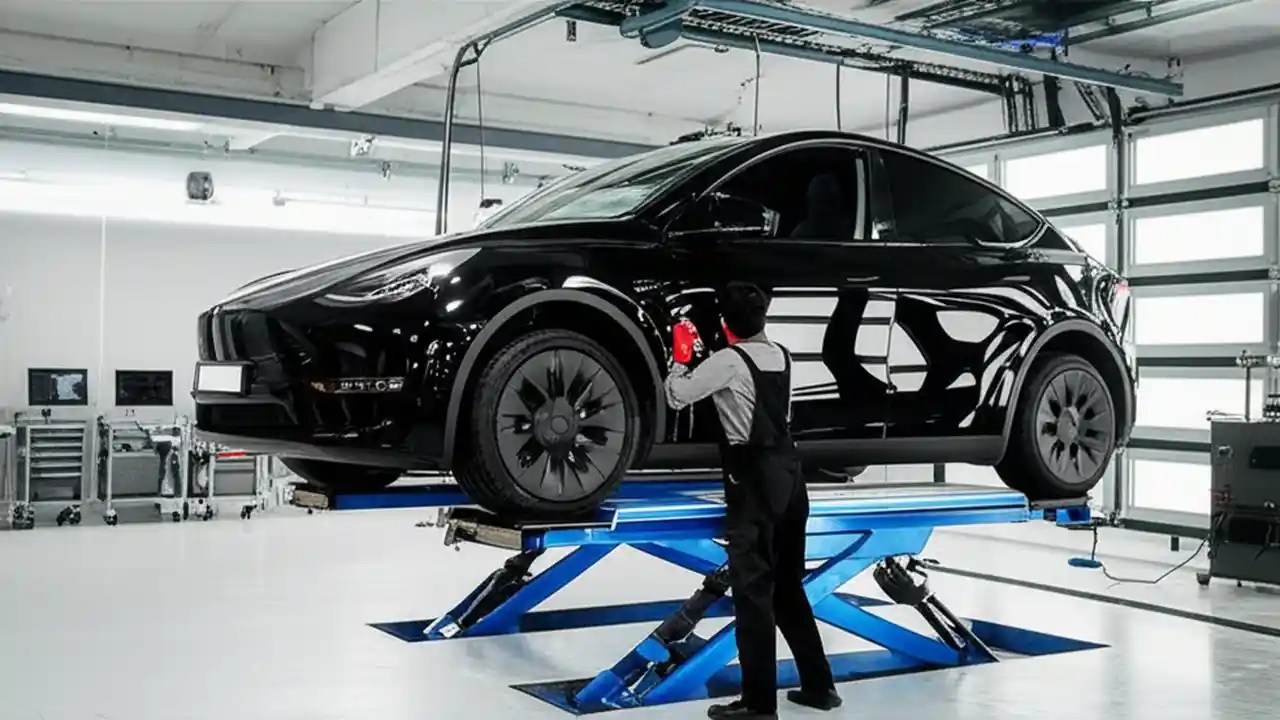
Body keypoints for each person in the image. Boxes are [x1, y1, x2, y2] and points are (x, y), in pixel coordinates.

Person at [665, 282, 843, 720]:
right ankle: (820, 687)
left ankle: (758, 705)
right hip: (789, 478)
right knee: (787, 589)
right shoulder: (782, 355)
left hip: (752, 485)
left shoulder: (727, 360)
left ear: (726, 325)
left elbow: (678, 395)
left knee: (753, 594)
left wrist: (681, 358)